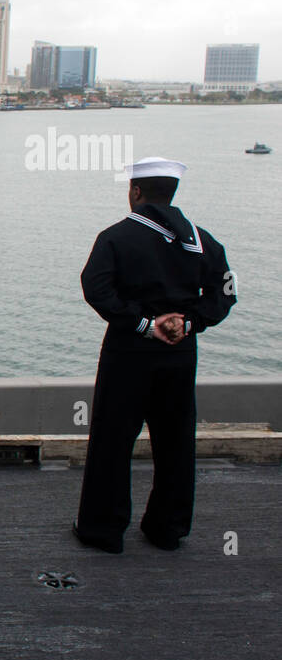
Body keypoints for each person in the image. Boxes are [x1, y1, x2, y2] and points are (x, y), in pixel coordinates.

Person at [74, 157, 235, 553]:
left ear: (135, 192)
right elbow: (225, 293)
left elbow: (95, 288)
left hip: (128, 350)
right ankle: (169, 527)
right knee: (176, 439)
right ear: (172, 193)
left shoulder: (115, 237)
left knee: (113, 438)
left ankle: (103, 529)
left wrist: (145, 323)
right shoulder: (204, 241)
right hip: (180, 353)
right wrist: (190, 322)